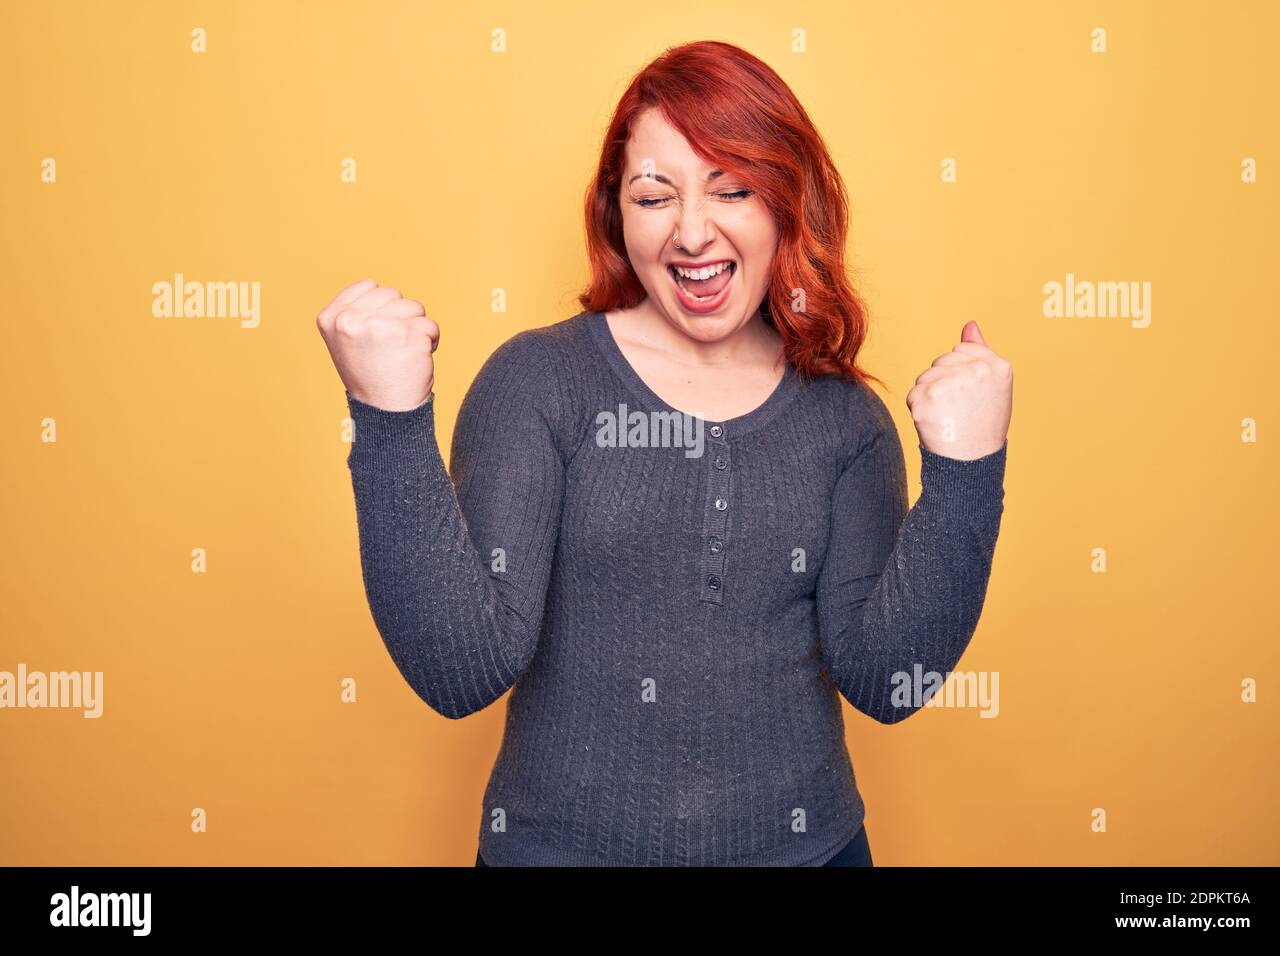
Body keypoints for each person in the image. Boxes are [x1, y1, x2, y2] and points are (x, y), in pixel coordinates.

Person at [316, 40, 1012, 867]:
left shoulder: (845, 418)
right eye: (655, 195)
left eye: (732, 189)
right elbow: (460, 669)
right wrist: (387, 419)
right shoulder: (538, 382)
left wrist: (968, 475)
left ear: (787, 202)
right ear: (617, 210)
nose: (691, 232)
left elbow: (889, 678)